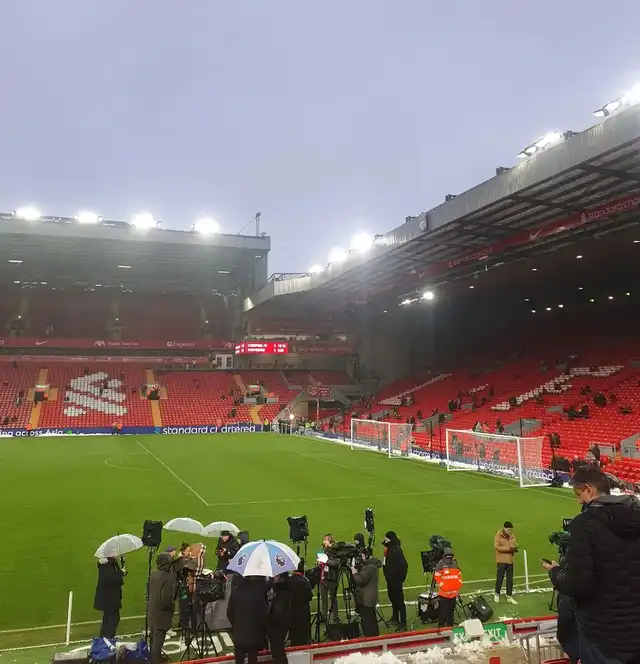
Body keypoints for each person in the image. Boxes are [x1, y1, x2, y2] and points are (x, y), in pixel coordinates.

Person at [542, 466, 640, 664]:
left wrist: (555, 572)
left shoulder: (584, 524)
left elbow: (578, 584)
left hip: (602, 634)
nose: (579, 501)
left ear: (589, 490)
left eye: (579, 494)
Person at [227, 575, 269, 664]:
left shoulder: (235, 592)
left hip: (239, 634)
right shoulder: (257, 593)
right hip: (253, 635)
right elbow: (264, 614)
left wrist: (235, 624)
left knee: (239, 660)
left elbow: (229, 613)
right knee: (252, 660)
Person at [147, 553, 177, 664]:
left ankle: (155, 657)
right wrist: (171, 606)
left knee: (153, 637)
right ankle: (155, 660)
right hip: (162, 614)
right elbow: (166, 598)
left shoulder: (153, 574)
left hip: (152, 610)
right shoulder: (167, 578)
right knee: (158, 639)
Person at [351, 547, 382, 637]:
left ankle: (370, 637)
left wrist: (354, 572)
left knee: (368, 619)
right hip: (368, 597)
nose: (360, 558)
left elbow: (360, 580)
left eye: (361, 556)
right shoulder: (370, 565)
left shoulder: (370, 567)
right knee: (370, 618)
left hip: (367, 598)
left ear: (367, 556)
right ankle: (374, 635)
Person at [93, 556, 126, 639]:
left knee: (108, 620)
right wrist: (121, 573)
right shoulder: (105, 565)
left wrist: (122, 571)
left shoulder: (112, 562)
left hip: (112, 598)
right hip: (109, 598)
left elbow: (115, 575)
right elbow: (109, 580)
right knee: (112, 620)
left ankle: (103, 640)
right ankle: (107, 640)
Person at [382, 531, 408, 630]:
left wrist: (400, 579)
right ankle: (395, 618)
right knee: (392, 598)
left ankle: (403, 623)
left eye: (386, 538)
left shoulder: (396, 550)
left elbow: (404, 565)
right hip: (390, 580)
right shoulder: (387, 549)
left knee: (399, 601)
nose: (385, 539)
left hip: (396, 581)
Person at [434, 547, 462, 628]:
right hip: (444, 594)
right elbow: (437, 576)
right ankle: (441, 627)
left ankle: (449, 627)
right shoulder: (441, 564)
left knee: (450, 612)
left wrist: (458, 585)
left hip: (452, 594)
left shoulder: (454, 564)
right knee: (443, 612)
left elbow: (459, 575)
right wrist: (444, 586)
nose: (449, 559)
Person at [267, 573, 292, 664]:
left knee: (277, 651)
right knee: (279, 651)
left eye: (276, 576)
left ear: (282, 578)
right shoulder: (282, 590)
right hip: (281, 625)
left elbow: (278, 611)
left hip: (277, 627)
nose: (274, 577)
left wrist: (269, 621)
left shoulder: (281, 593)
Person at [288, 561, 313, 646]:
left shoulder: (290, 579)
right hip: (303, 611)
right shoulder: (304, 580)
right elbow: (309, 596)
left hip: (292, 609)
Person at [494, 521, 518, 604]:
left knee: (510, 580)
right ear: (504, 528)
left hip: (510, 561)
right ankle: (497, 594)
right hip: (501, 560)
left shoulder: (512, 536)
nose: (510, 531)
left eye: (511, 529)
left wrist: (515, 548)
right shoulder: (498, 536)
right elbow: (497, 547)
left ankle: (509, 596)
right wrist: (509, 549)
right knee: (500, 578)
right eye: (508, 529)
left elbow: (514, 544)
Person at [319, 534, 340, 623]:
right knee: (323, 598)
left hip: (332, 577)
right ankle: (324, 616)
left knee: (333, 598)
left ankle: (336, 616)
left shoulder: (335, 551)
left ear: (330, 541)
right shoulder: (323, 551)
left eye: (326, 540)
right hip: (323, 577)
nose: (324, 541)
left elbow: (336, 563)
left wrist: (326, 561)